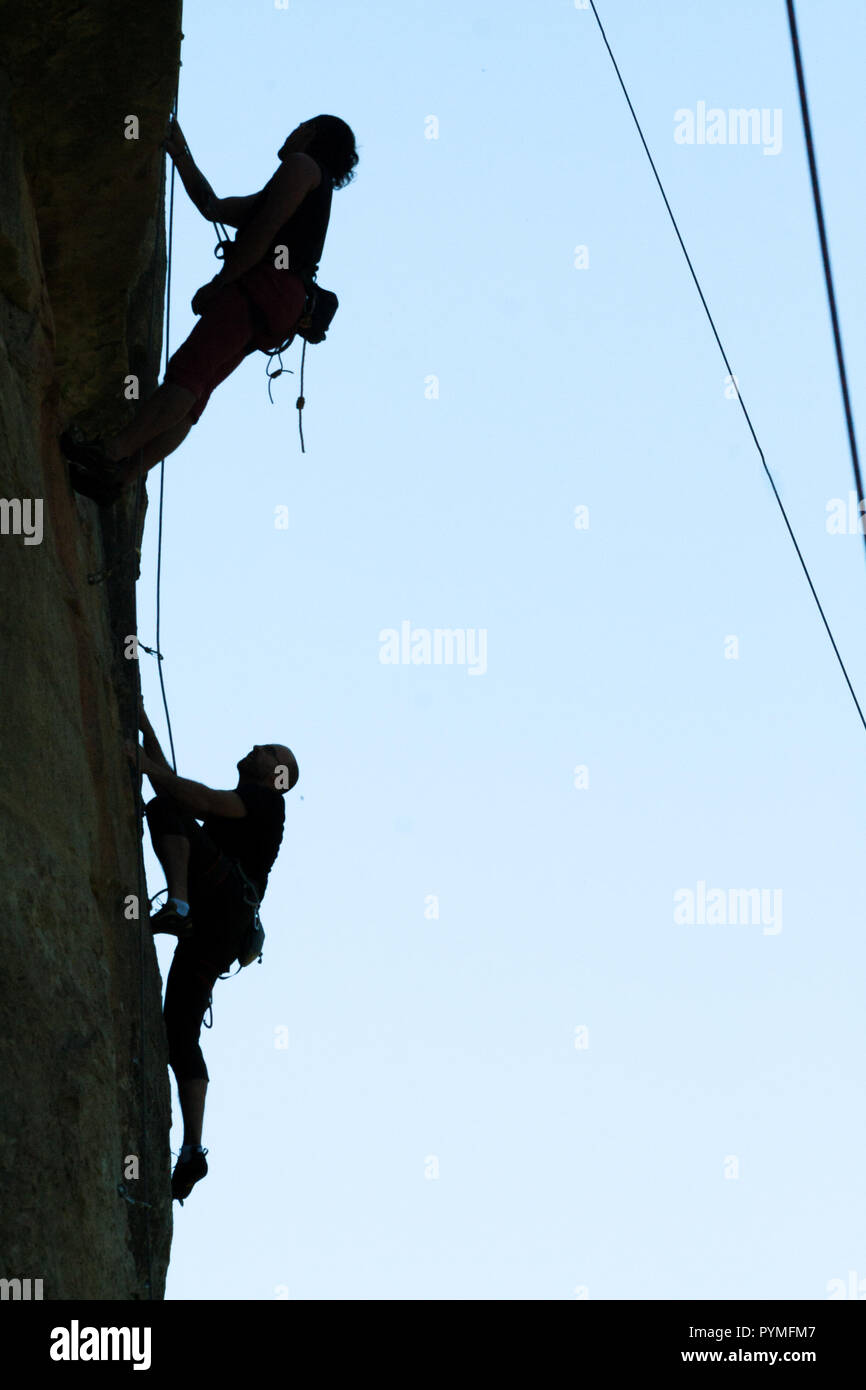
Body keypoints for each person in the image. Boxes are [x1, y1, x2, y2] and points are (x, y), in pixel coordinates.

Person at [63, 113, 358, 505]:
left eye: (301, 125)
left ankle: (110, 453)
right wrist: (181, 155)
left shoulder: (302, 167)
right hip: (281, 304)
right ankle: (121, 478)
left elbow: (263, 231)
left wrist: (221, 284)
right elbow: (214, 207)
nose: (292, 130)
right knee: (197, 392)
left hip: (265, 287)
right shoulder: (305, 181)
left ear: (312, 133)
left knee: (189, 372)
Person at [131, 702, 299, 1202]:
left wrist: (141, 760)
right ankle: (192, 1150)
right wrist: (144, 730)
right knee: (177, 1030)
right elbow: (177, 786)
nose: (255, 747)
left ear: (278, 775)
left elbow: (191, 800)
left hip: (220, 902)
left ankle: (177, 904)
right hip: (222, 926)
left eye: (267, 750)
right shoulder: (253, 803)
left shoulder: (268, 803)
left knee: (167, 811)